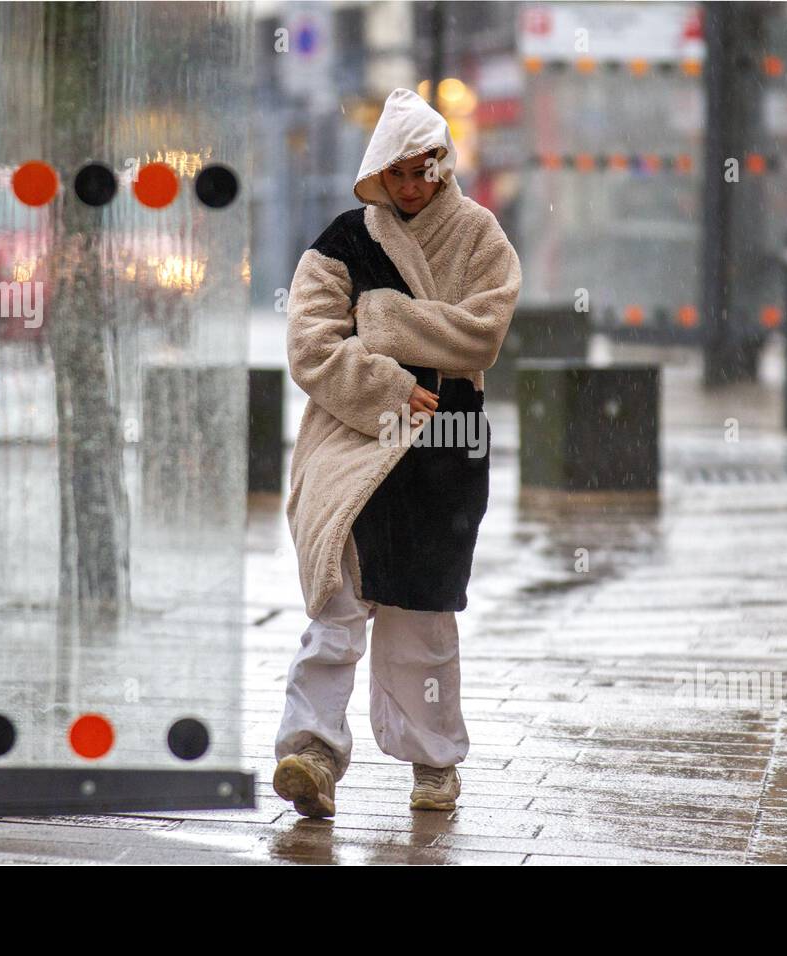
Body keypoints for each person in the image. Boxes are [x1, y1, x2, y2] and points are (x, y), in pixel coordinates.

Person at [273, 88, 522, 818]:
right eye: (399, 172)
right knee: (337, 599)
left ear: (444, 166)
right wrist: (385, 385)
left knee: (424, 611)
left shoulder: (480, 236)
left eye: (425, 169)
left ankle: (434, 763)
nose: (412, 186)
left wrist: (381, 318)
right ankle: (310, 751)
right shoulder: (340, 242)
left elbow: (483, 333)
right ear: (378, 172)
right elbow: (311, 346)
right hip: (352, 441)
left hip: (447, 442)